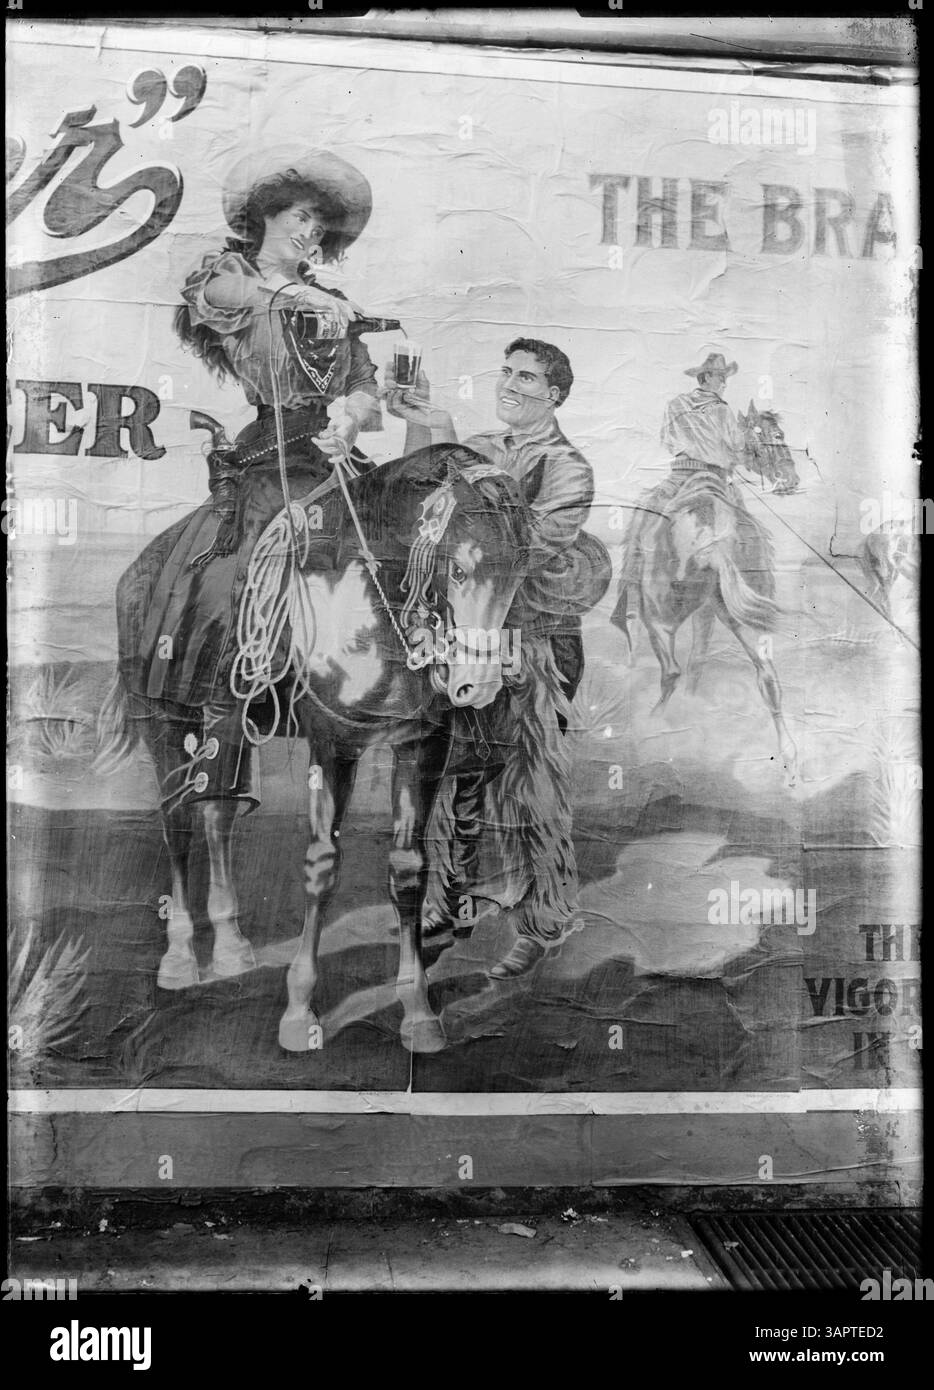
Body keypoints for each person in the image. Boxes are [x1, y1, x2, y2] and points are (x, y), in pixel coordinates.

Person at [116, 150, 383, 811]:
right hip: (269, 454)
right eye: (300, 215)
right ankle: (218, 712)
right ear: (267, 214)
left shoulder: (338, 305)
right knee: (235, 569)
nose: (310, 233)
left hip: (331, 459)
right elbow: (218, 299)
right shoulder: (230, 276)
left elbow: (363, 384)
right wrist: (298, 293)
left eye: (322, 224)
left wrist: (349, 420)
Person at [384, 338, 610, 977]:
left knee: (527, 780)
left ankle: (542, 920)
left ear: (555, 395)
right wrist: (429, 425)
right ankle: (447, 900)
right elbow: (427, 507)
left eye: (528, 377)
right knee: (454, 767)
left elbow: (532, 541)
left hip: (533, 640)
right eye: (507, 372)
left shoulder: (567, 465)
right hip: (466, 636)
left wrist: (478, 500)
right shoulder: (479, 447)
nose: (511, 384)